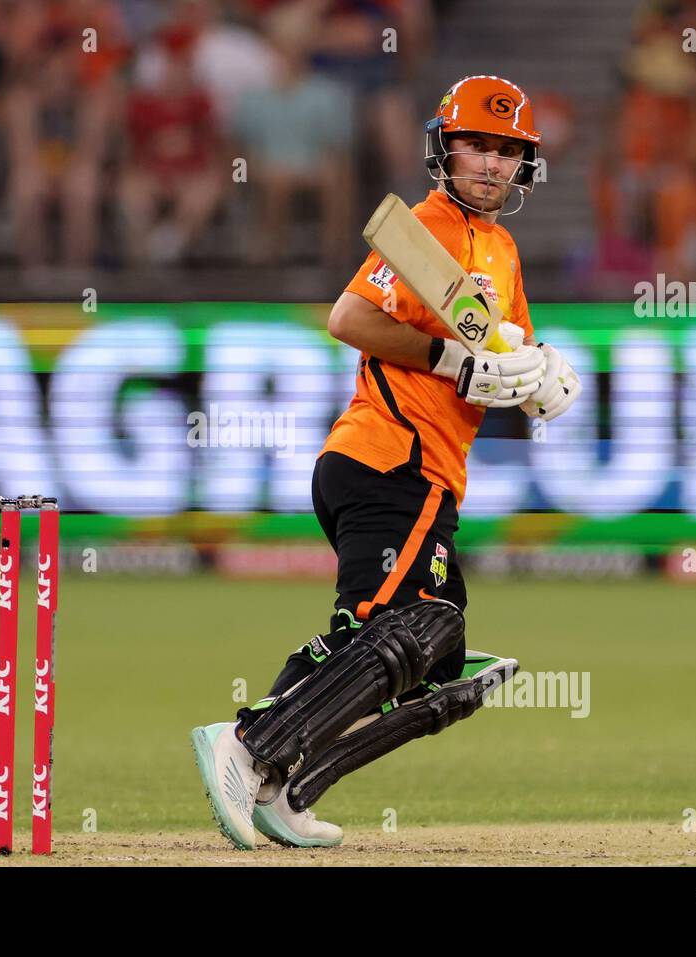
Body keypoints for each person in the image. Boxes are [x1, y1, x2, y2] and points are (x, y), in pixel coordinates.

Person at [191, 75, 582, 850]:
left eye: (509, 151)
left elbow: (503, 353)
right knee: (410, 626)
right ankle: (249, 742)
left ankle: (280, 781)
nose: (493, 164)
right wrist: (449, 360)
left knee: (431, 654)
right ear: (445, 148)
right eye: (478, 144)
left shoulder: (500, 251)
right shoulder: (427, 228)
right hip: (386, 459)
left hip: (430, 478)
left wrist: (539, 378)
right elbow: (350, 318)